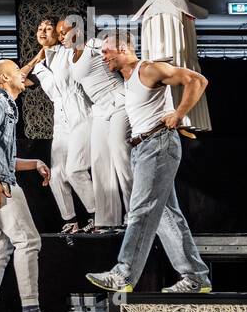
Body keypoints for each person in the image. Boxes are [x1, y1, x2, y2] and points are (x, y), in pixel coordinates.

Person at [86, 42, 212, 294]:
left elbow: (197, 80)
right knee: (167, 216)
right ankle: (196, 278)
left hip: (158, 144)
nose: (103, 57)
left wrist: (178, 114)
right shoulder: (129, 79)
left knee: (141, 209)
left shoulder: (148, 69)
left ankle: (123, 274)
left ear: (123, 47)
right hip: (143, 147)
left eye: (106, 51)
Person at [0, 62, 73, 312]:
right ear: (4, 78)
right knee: (28, 240)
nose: (22, 74)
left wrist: (33, 162)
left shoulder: (6, 105)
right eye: (16, 70)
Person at [28, 19, 96, 233]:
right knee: (56, 174)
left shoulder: (68, 52)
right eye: (39, 28)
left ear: (59, 34)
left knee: (75, 170)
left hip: (80, 113)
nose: (42, 31)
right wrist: (40, 53)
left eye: (48, 29)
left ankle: (98, 216)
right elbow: (20, 77)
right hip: (61, 118)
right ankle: (71, 221)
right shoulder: (41, 63)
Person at [70, 32, 134, 230]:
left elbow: (119, 56)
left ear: (77, 31)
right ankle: (106, 220)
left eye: (65, 32)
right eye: (60, 33)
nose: (63, 36)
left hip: (118, 100)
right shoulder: (71, 57)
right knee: (99, 161)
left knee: (119, 153)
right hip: (99, 109)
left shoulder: (93, 44)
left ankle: (135, 213)